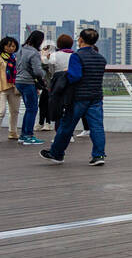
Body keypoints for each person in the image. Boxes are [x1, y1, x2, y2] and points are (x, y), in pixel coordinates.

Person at [40, 28, 107, 165]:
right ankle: (98, 156)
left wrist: (67, 73)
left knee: (67, 126)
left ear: (80, 40)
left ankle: (56, 153)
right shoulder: (101, 58)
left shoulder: (77, 56)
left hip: (79, 97)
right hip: (96, 96)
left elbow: (75, 76)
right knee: (97, 127)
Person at [14, 31, 48, 145]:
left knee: (29, 109)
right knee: (32, 109)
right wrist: (46, 74)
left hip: (19, 81)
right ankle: (28, 136)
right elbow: (38, 71)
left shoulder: (21, 50)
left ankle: (23, 135)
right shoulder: (34, 53)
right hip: (28, 82)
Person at [45, 34, 76, 140]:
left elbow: (51, 70)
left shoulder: (54, 55)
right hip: (72, 84)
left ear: (58, 44)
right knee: (70, 108)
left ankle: (59, 134)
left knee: (58, 108)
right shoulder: (75, 55)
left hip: (58, 83)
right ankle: (70, 134)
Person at [0, 37, 20, 141]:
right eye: (9, 46)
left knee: (15, 111)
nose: (11, 48)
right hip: (2, 88)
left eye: (13, 46)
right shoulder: (0, 58)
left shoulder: (15, 58)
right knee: (1, 111)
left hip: (14, 87)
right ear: (3, 46)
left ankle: (13, 132)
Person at [36, 42, 53, 131]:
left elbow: (48, 68)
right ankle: (41, 122)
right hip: (44, 85)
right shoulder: (42, 59)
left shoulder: (51, 60)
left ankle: (47, 123)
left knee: (47, 104)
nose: (44, 51)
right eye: (44, 49)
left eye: (46, 49)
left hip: (50, 85)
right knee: (42, 104)